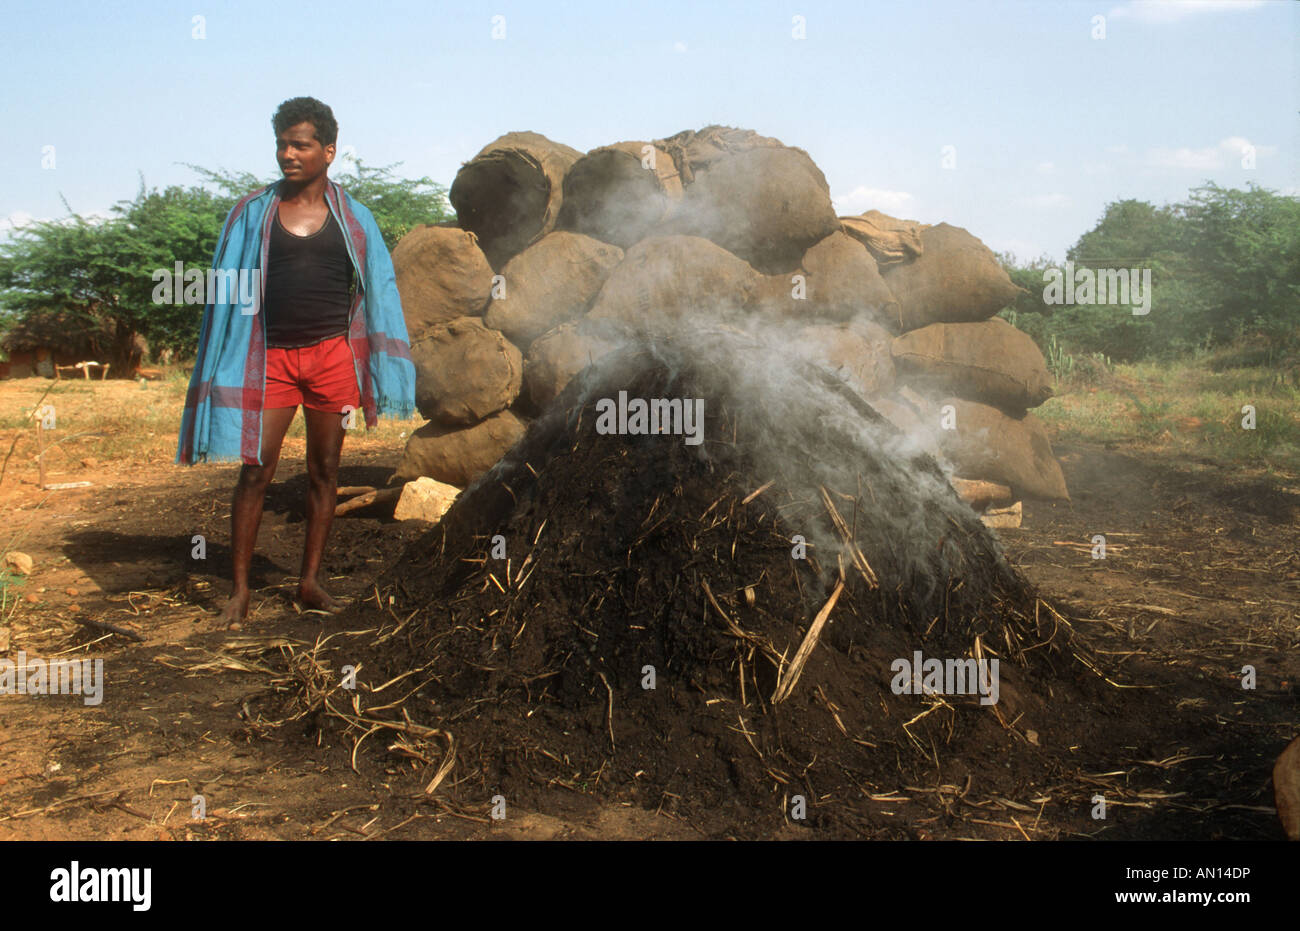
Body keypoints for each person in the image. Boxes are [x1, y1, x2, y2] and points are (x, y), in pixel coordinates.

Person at [176, 96, 415, 629]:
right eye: (282, 143)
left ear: (328, 151)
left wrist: (374, 358)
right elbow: (226, 294)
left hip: (331, 357)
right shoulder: (252, 213)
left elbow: (379, 287)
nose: (288, 154)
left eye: (300, 144)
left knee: (324, 471)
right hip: (270, 361)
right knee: (256, 471)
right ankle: (238, 592)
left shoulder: (353, 218)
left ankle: (309, 581)